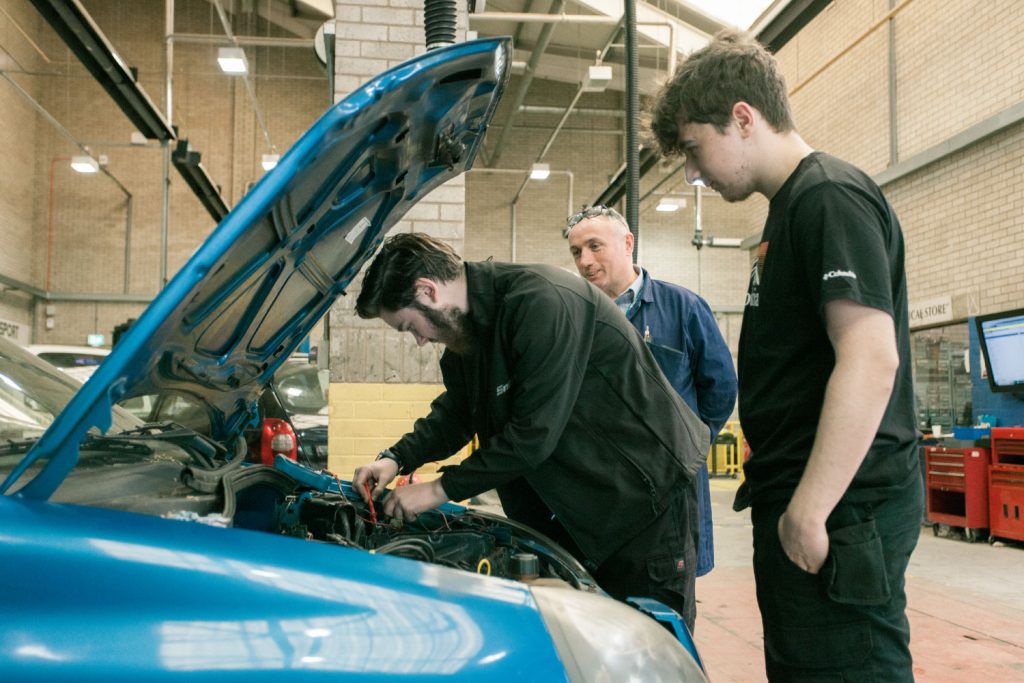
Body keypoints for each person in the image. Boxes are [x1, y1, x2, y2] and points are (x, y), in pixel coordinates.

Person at [650, 30, 922, 681]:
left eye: (694, 148)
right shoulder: (788, 209)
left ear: (743, 117)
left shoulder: (828, 196)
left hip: (841, 515)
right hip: (808, 505)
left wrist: (812, 505)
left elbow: (870, 355)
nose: (692, 172)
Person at [351, 232, 711, 630]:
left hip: (642, 507)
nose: (419, 340)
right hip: (576, 513)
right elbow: (457, 413)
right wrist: (395, 457)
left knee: (646, 651)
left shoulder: (542, 301)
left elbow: (531, 437)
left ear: (428, 291)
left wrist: (436, 490)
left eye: (409, 327)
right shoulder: (465, 340)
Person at [566, 205, 737, 590]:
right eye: (577, 252)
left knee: (667, 605)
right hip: (603, 490)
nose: (585, 261)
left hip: (671, 492)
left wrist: (686, 445)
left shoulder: (683, 309)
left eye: (595, 246)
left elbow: (721, 387)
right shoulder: (574, 317)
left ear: (628, 244)